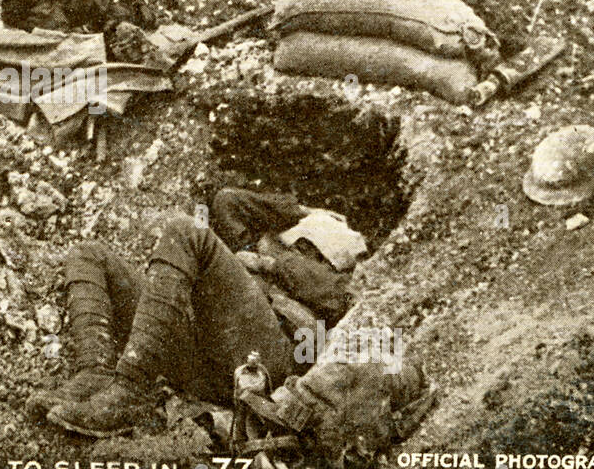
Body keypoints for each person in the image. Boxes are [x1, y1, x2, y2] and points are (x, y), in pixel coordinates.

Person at [30, 187, 387, 438]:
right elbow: (228, 200)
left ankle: (131, 390)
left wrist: (269, 262)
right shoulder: (258, 253)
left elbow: (336, 296)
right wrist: (297, 212)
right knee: (89, 254)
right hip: (199, 352)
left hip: (263, 366)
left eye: (305, 244)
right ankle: (93, 373)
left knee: (187, 230)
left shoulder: (336, 282)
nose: (291, 244)